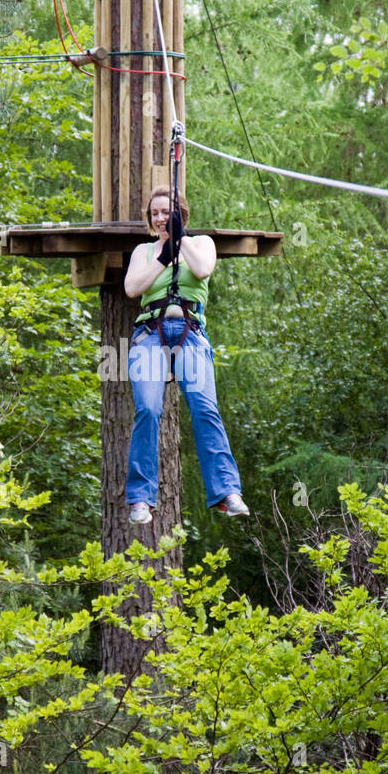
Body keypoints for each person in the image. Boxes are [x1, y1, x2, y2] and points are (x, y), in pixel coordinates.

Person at [123, 184, 249, 525]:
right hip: (151, 334)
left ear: (180, 215)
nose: (161, 218)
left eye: (167, 212)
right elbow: (133, 288)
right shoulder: (143, 252)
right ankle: (140, 499)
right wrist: (164, 255)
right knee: (148, 408)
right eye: (156, 214)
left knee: (204, 406)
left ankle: (226, 492)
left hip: (191, 333)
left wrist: (180, 242)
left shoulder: (201, 244)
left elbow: (203, 269)